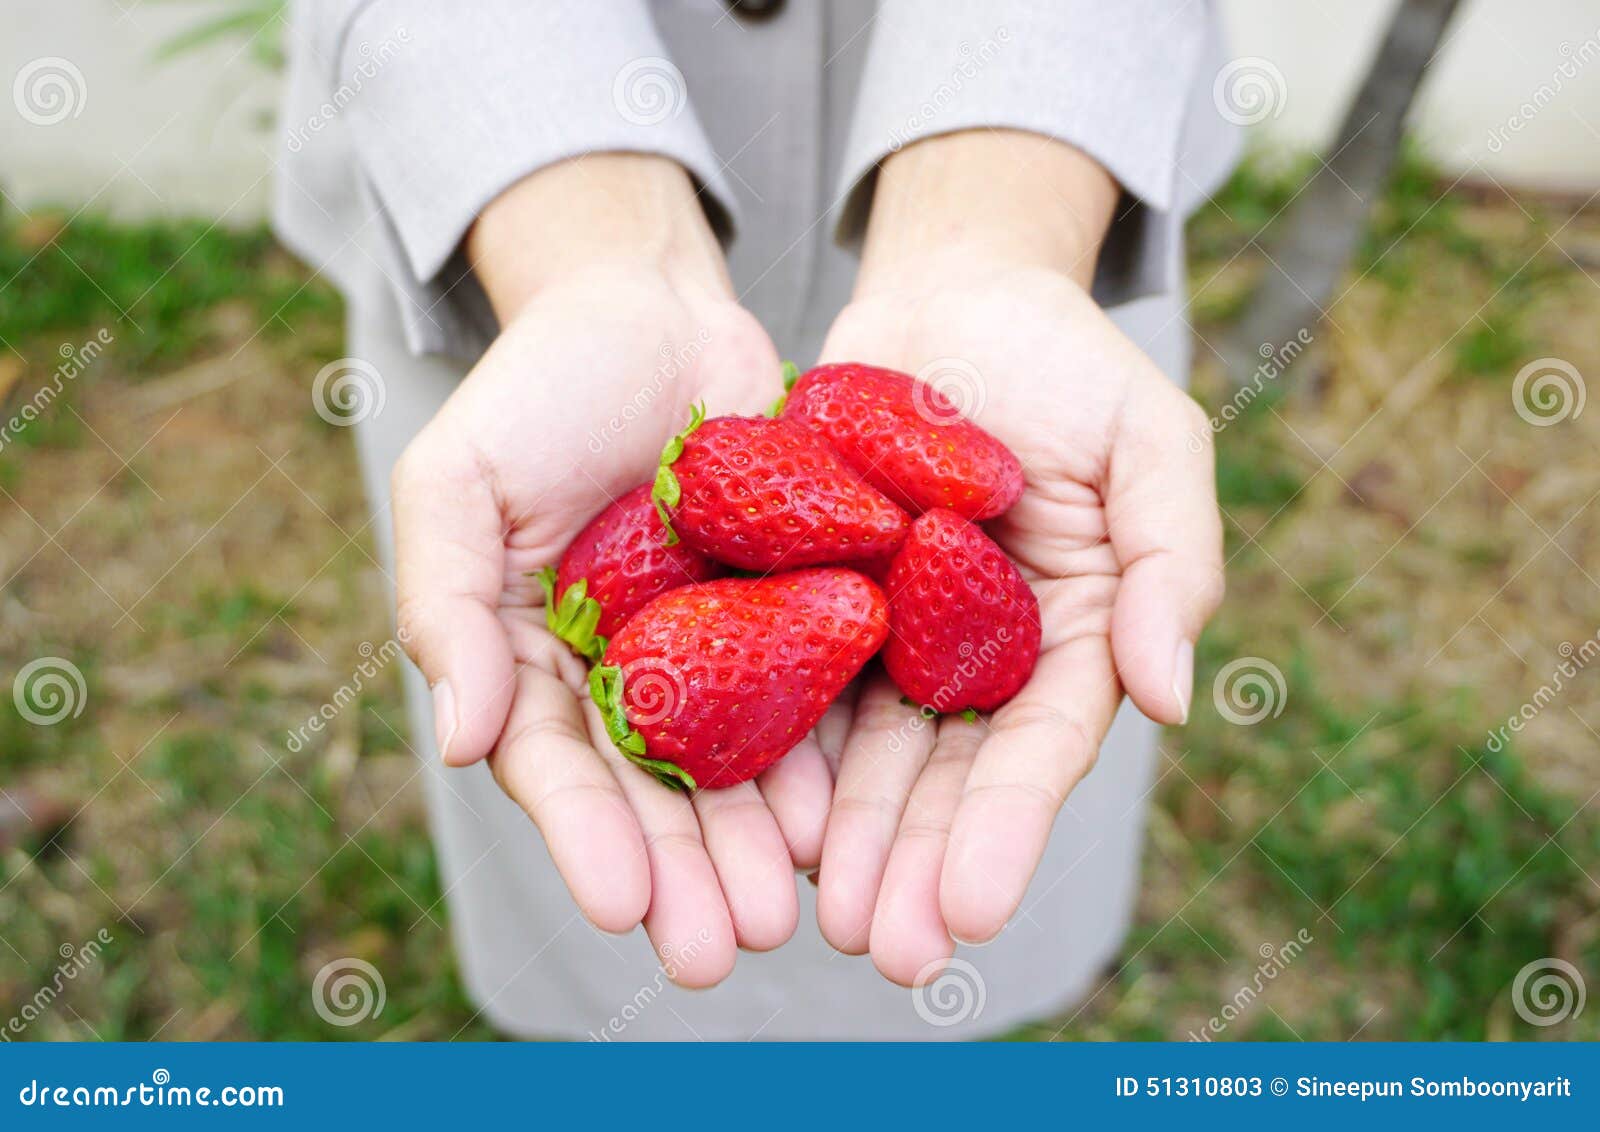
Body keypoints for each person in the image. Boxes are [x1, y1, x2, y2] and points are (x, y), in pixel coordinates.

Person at [275, 0, 1237, 1039]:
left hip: (1040, 178)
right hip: (522, 240)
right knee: (614, 936)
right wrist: (588, 245)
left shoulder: (908, 511)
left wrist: (995, 220)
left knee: (946, 916)